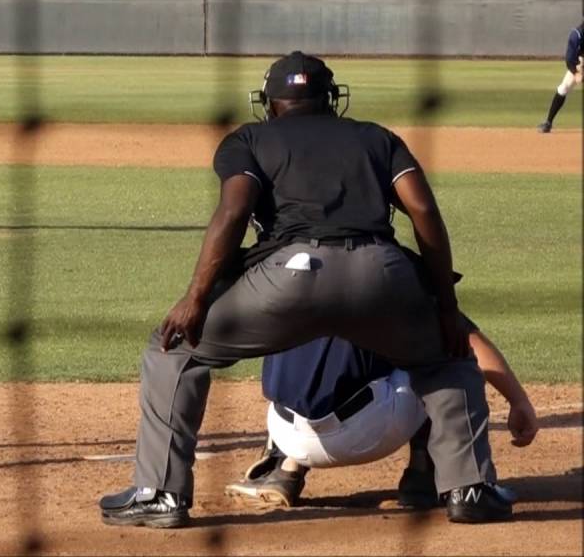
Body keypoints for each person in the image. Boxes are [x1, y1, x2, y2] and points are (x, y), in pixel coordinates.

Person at [99, 51, 514, 529]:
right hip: (379, 272)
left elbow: (233, 214)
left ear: (270, 102)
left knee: (173, 350)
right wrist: (445, 303)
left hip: (286, 277)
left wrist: (195, 298)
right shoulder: (376, 137)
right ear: (330, 98)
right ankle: (469, 489)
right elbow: (423, 213)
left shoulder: (249, 139)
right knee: (448, 356)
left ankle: (160, 494)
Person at [224, 330, 538, 509]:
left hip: (282, 429)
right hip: (367, 432)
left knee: (298, 351)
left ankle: (284, 469)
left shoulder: (284, 264)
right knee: (439, 346)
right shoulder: (386, 269)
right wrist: (518, 400)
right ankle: (426, 476)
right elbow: (468, 341)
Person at [537, 20, 582, 133]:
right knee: (563, 88)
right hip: (579, 64)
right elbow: (569, 59)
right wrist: (576, 73)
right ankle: (548, 123)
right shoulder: (576, 35)